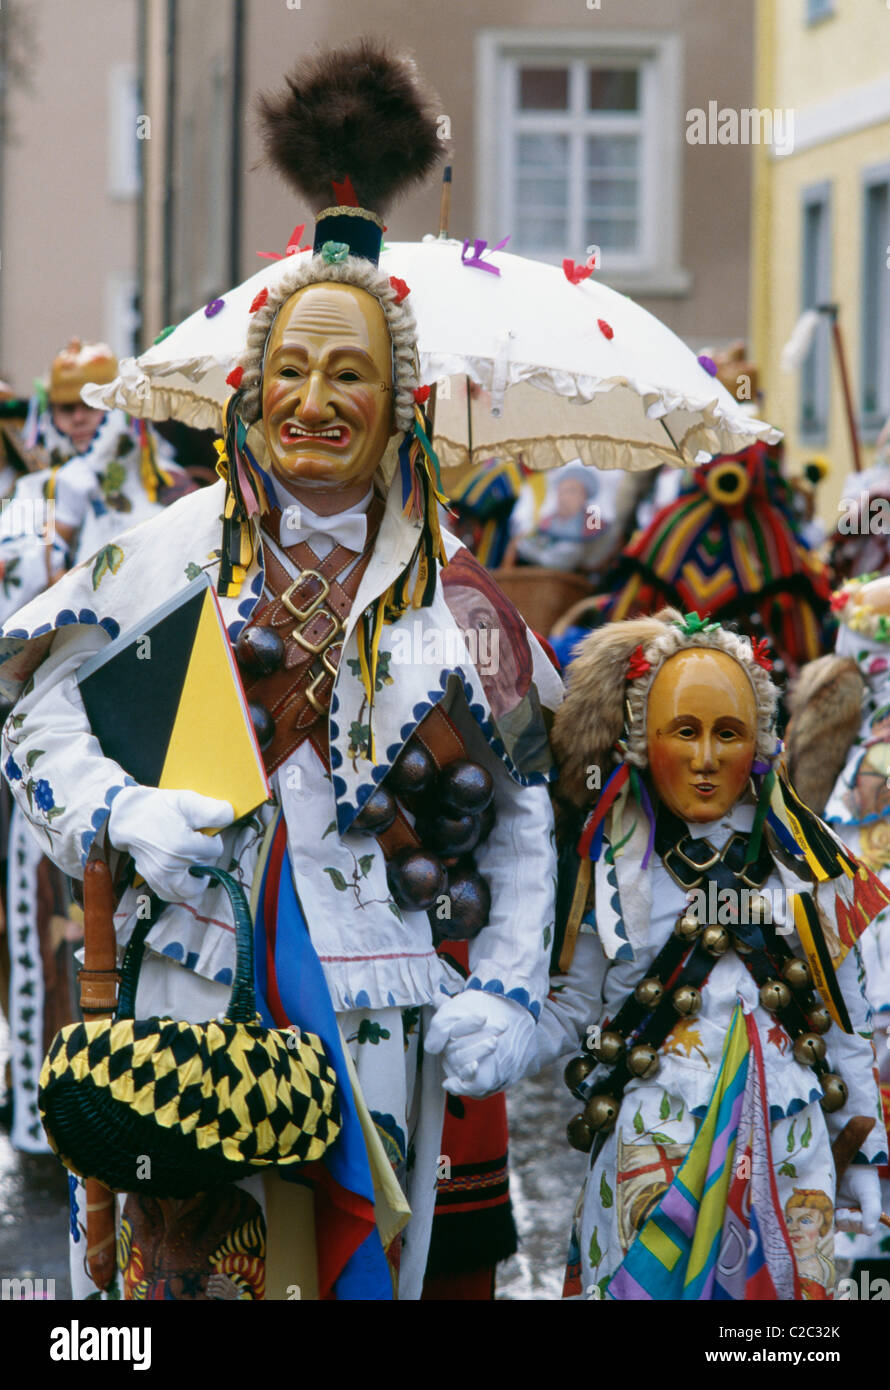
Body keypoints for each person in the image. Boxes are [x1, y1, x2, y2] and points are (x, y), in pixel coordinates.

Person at [0, 41, 560, 1299]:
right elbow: (34, 715)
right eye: (290, 370)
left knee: (352, 1274)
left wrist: (510, 985)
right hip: (186, 991)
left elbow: (526, 807)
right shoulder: (164, 553)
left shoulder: (457, 595)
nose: (314, 398)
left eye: (347, 371)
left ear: (398, 400)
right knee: (188, 1280)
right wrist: (120, 812)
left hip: (378, 1011)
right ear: (248, 393)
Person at [529, 609, 886, 1299]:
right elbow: (571, 1004)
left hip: (788, 1148)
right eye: (683, 732)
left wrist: (864, 1151)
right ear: (641, 739)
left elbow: (847, 1016)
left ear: (760, 740)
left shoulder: (808, 857)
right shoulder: (609, 859)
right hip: (651, 1142)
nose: (704, 759)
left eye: (727, 733)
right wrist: (503, 1033)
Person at [0, 342, 191, 1153]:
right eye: (67, 408)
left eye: (93, 407)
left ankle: (142, 1107)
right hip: (61, 738)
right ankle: (47, 1112)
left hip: (154, 745)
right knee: (48, 932)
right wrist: (61, 522)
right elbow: (14, 605)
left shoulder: (174, 494)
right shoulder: (36, 496)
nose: (80, 422)